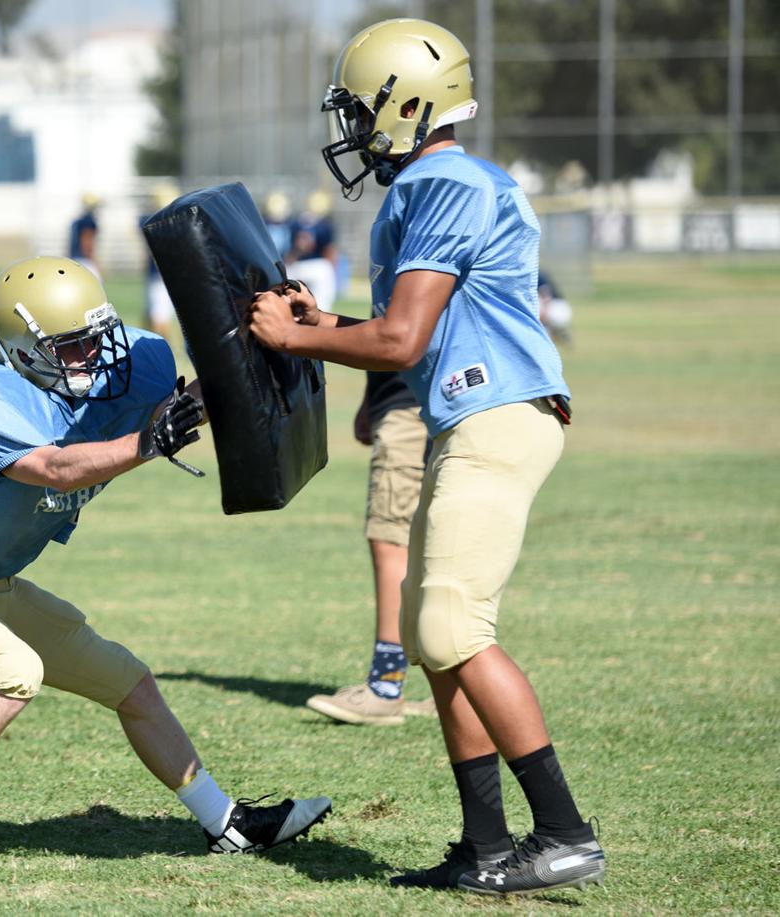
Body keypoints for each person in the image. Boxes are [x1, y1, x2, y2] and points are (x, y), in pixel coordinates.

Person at [249, 19, 604, 896]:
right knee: (432, 639)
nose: (354, 132)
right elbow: (407, 334)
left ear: (409, 105)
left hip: (498, 414)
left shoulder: (445, 182)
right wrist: (320, 324)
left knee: (451, 627)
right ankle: (485, 844)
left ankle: (564, 833)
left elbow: (403, 336)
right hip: (466, 416)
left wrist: (301, 343)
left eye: (363, 112)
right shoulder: (428, 185)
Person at [0, 257, 332, 880]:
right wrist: (149, 440)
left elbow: (185, 401)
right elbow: (57, 468)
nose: (94, 356)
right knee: (16, 670)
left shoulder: (130, 363)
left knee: (130, 682)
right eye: (73, 345)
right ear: (21, 349)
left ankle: (224, 824)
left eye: (98, 337)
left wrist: (251, 345)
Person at [305, 371, 437, 725]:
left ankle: (385, 687)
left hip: (412, 401)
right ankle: (456, 687)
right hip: (435, 397)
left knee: (390, 534)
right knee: (437, 539)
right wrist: (372, 396)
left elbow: (397, 333)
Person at [285, 190, 339, 310]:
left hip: (296, 266)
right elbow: (328, 250)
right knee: (322, 307)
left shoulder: (296, 222)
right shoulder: (324, 224)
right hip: (318, 266)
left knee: (291, 305)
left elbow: (293, 249)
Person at [142, 183, 180, 339]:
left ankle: (159, 346)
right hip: (164, 276)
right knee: (157, 315)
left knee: (158, 317)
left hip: (160, 277)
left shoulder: (152, 222)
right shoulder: (173, 223)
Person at [68, 192, 102, 280]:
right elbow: (86, 243)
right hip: (84, 260)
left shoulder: (76, 221)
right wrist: (94, 261)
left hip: (74, 259)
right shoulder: (89, 221)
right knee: (95, 286)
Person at [537, 271, 574, 345]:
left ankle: (552, 334)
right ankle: (558, 333)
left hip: (556, 308)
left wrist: (544, 313)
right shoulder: (539, 272)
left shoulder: (537, 274)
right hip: (562, 308)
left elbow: (546, 296)